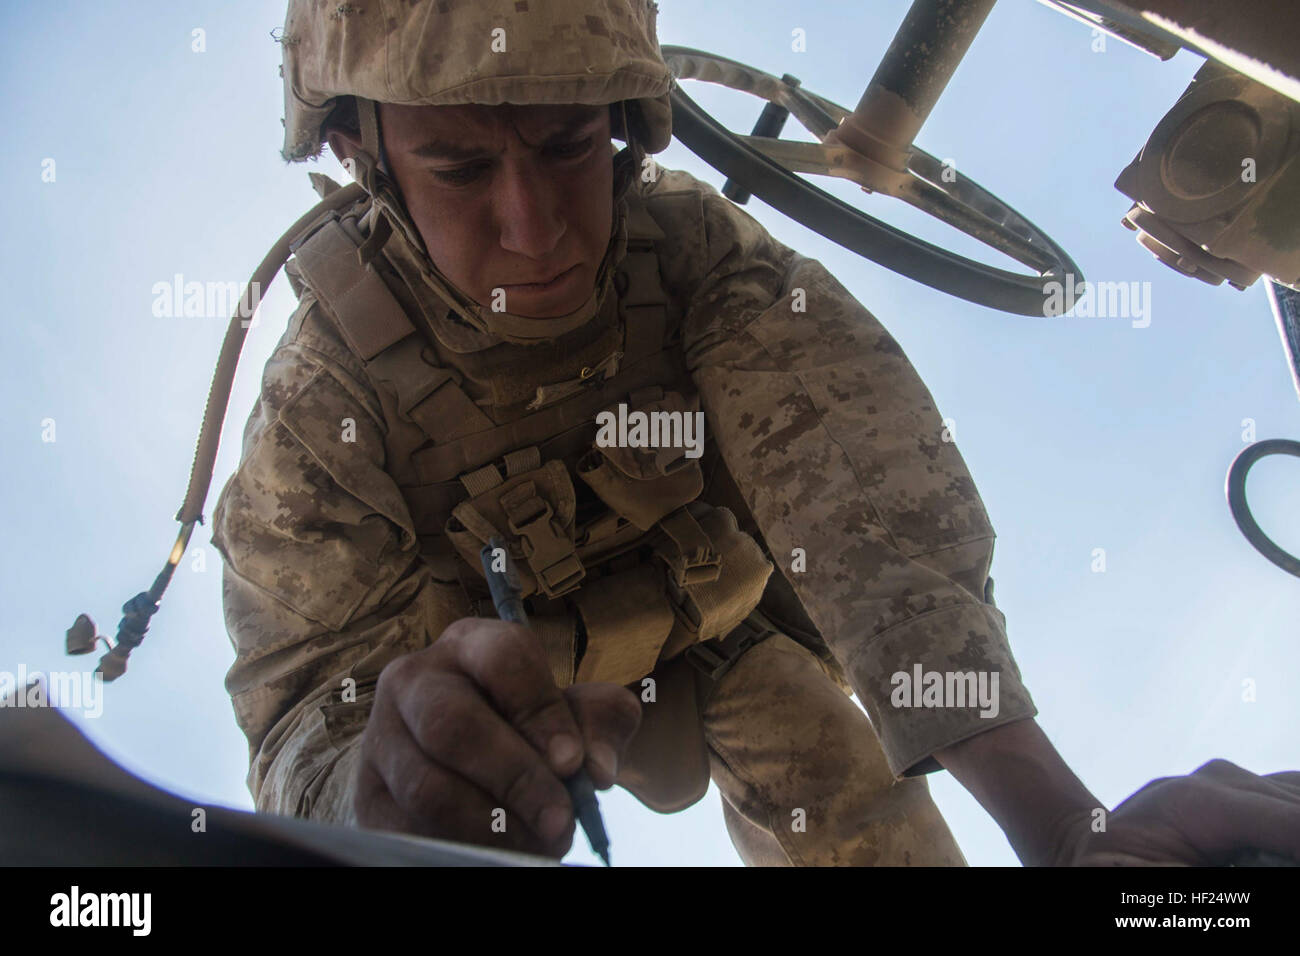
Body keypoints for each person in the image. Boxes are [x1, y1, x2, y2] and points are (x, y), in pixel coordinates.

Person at [211, 0, 1300, 866]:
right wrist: (376, 788)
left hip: (724, 630)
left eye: (566, 144)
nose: (534, 225)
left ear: (626, 125)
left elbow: (867, 510)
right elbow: (309, 698)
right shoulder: (323, 400)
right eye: (459, 169)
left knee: (817, 743)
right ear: (363, 156)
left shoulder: (692, 253)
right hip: (502, 698)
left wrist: (1061, 822)